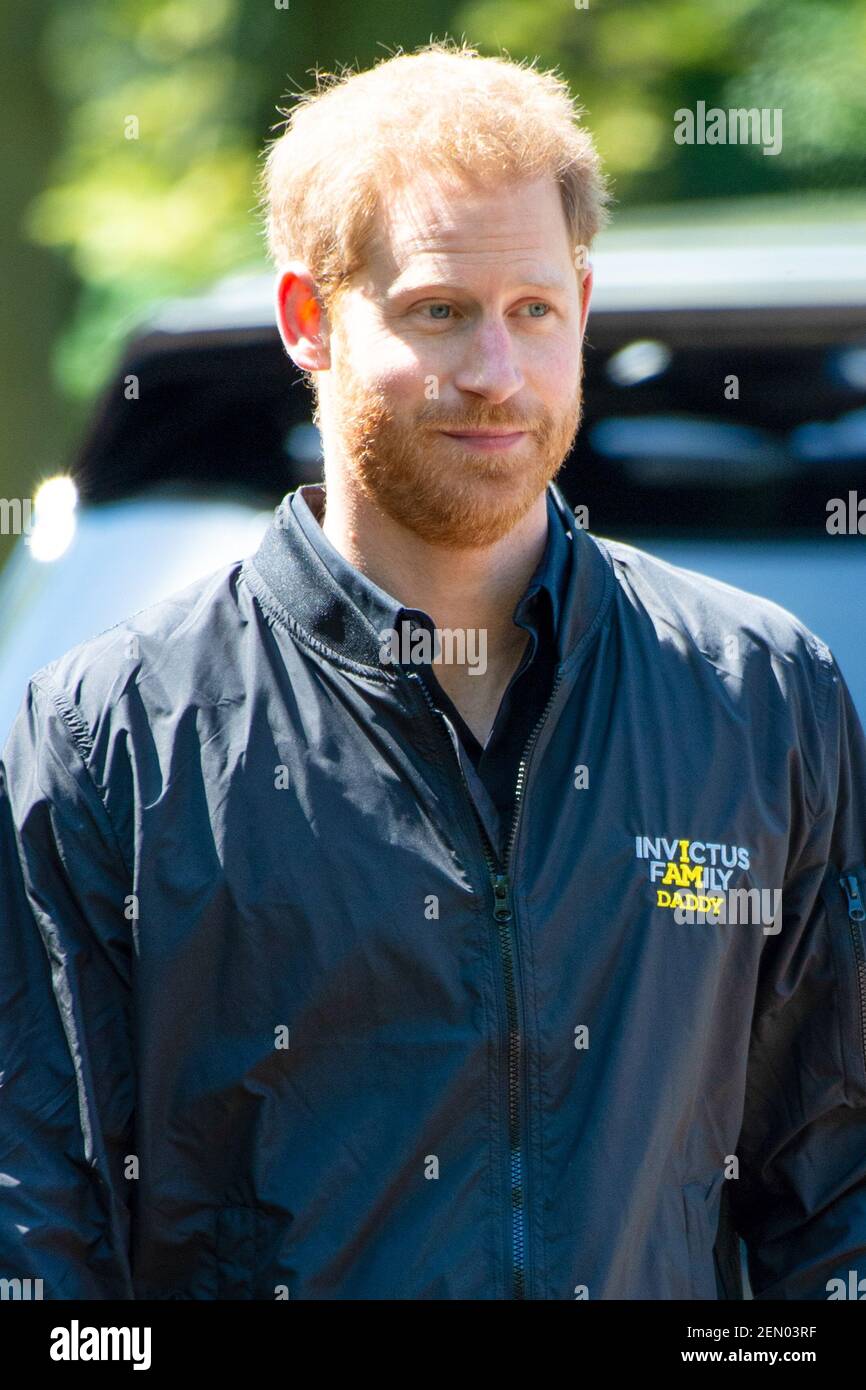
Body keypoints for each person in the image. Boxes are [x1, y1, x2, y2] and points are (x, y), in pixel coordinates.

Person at [1, 39, 865, 1302]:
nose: (494, 375)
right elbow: (35, 1235)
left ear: (580, 297)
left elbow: (832, 1192)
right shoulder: (109, 735)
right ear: (311, 319)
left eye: (532, 310)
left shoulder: (756, 694)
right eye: (436, 312)